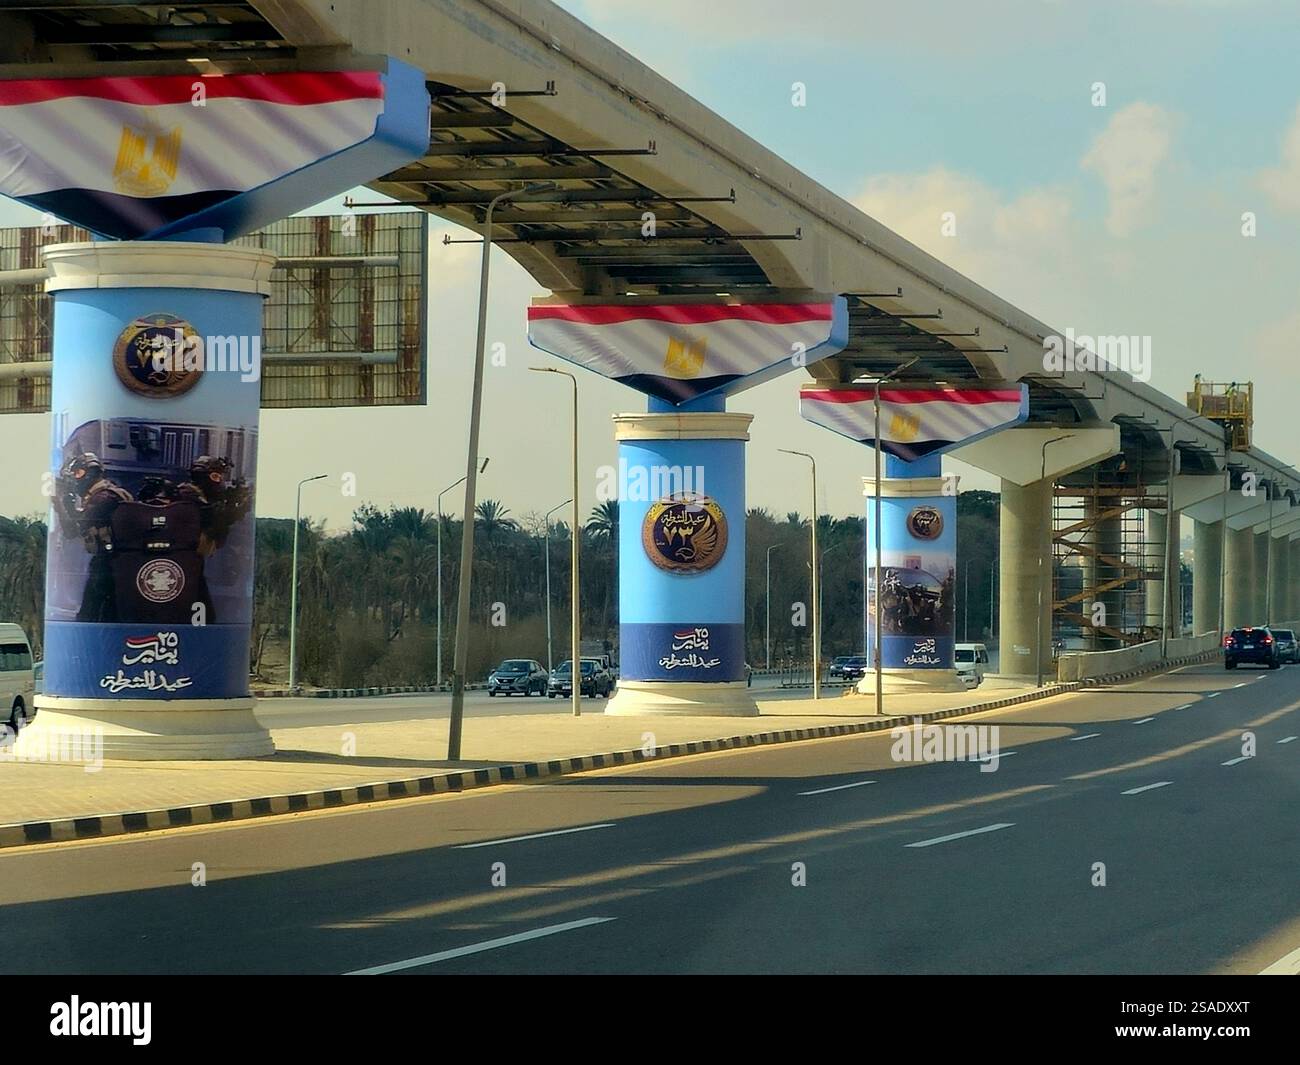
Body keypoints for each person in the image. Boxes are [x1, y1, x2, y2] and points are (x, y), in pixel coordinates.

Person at [53, 452, 133, 622]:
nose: (76, 478)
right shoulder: (102, 496)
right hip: (114, 562)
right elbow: (72, 531)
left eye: (79, 473)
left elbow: (75, 528)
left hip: (112, 563)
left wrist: (62, 504)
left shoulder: (105, 497)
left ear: (91, 472)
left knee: (91, 613)